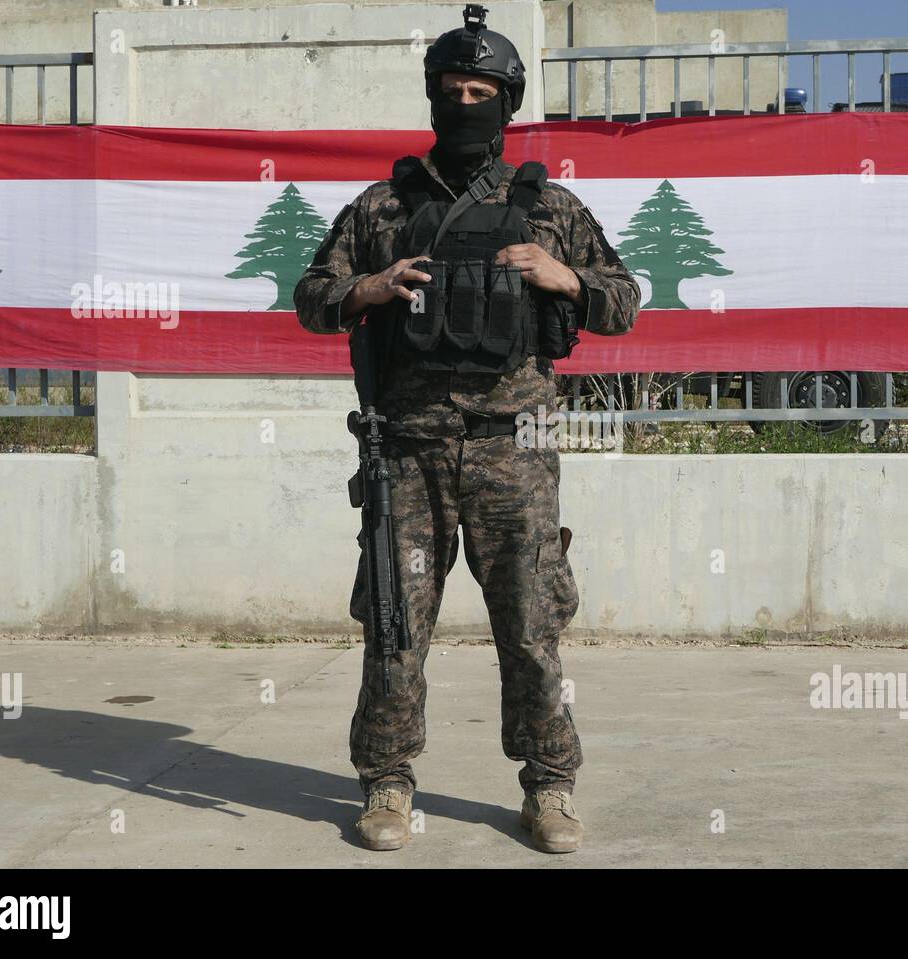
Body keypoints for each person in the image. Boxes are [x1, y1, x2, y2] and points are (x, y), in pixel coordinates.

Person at [293, 4, 639, 854]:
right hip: (407, 451)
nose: (464, 102)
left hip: (512, 449)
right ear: (433, 96)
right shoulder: (383, 206)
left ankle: (550, 785)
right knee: (396, 621)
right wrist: (366, 290)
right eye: (450, 89)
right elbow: (309, 295)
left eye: (480, 90)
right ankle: (386, 779)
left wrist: (566, 279)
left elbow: (625, 300)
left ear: (506, 102)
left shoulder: (549, 206)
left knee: (530, 624)